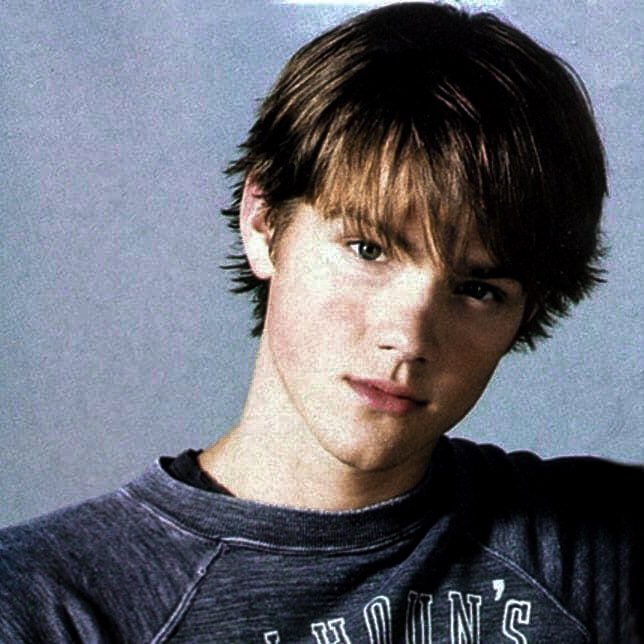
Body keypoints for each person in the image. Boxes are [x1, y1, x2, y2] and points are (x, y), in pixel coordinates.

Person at [0, 2, 641, 642]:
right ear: (263, 222)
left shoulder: (596, 550)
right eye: (368, 250)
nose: (409, 338)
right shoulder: (49, 602)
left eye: (478, 290)